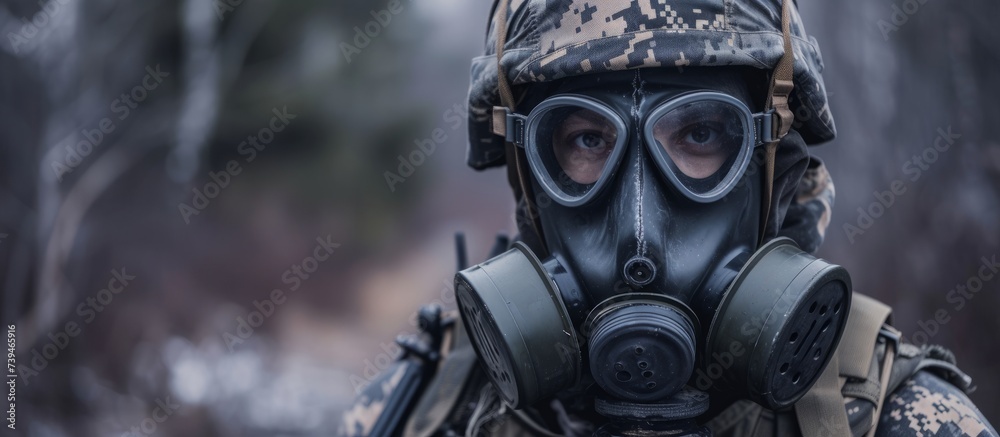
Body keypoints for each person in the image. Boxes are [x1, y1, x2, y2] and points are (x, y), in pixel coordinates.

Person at [339, 0, 997, 435]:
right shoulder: (419, 415)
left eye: (703, 135)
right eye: (586, 141)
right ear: (526, 179)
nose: (639, 236)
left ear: (773, 164)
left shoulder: (910, 422)